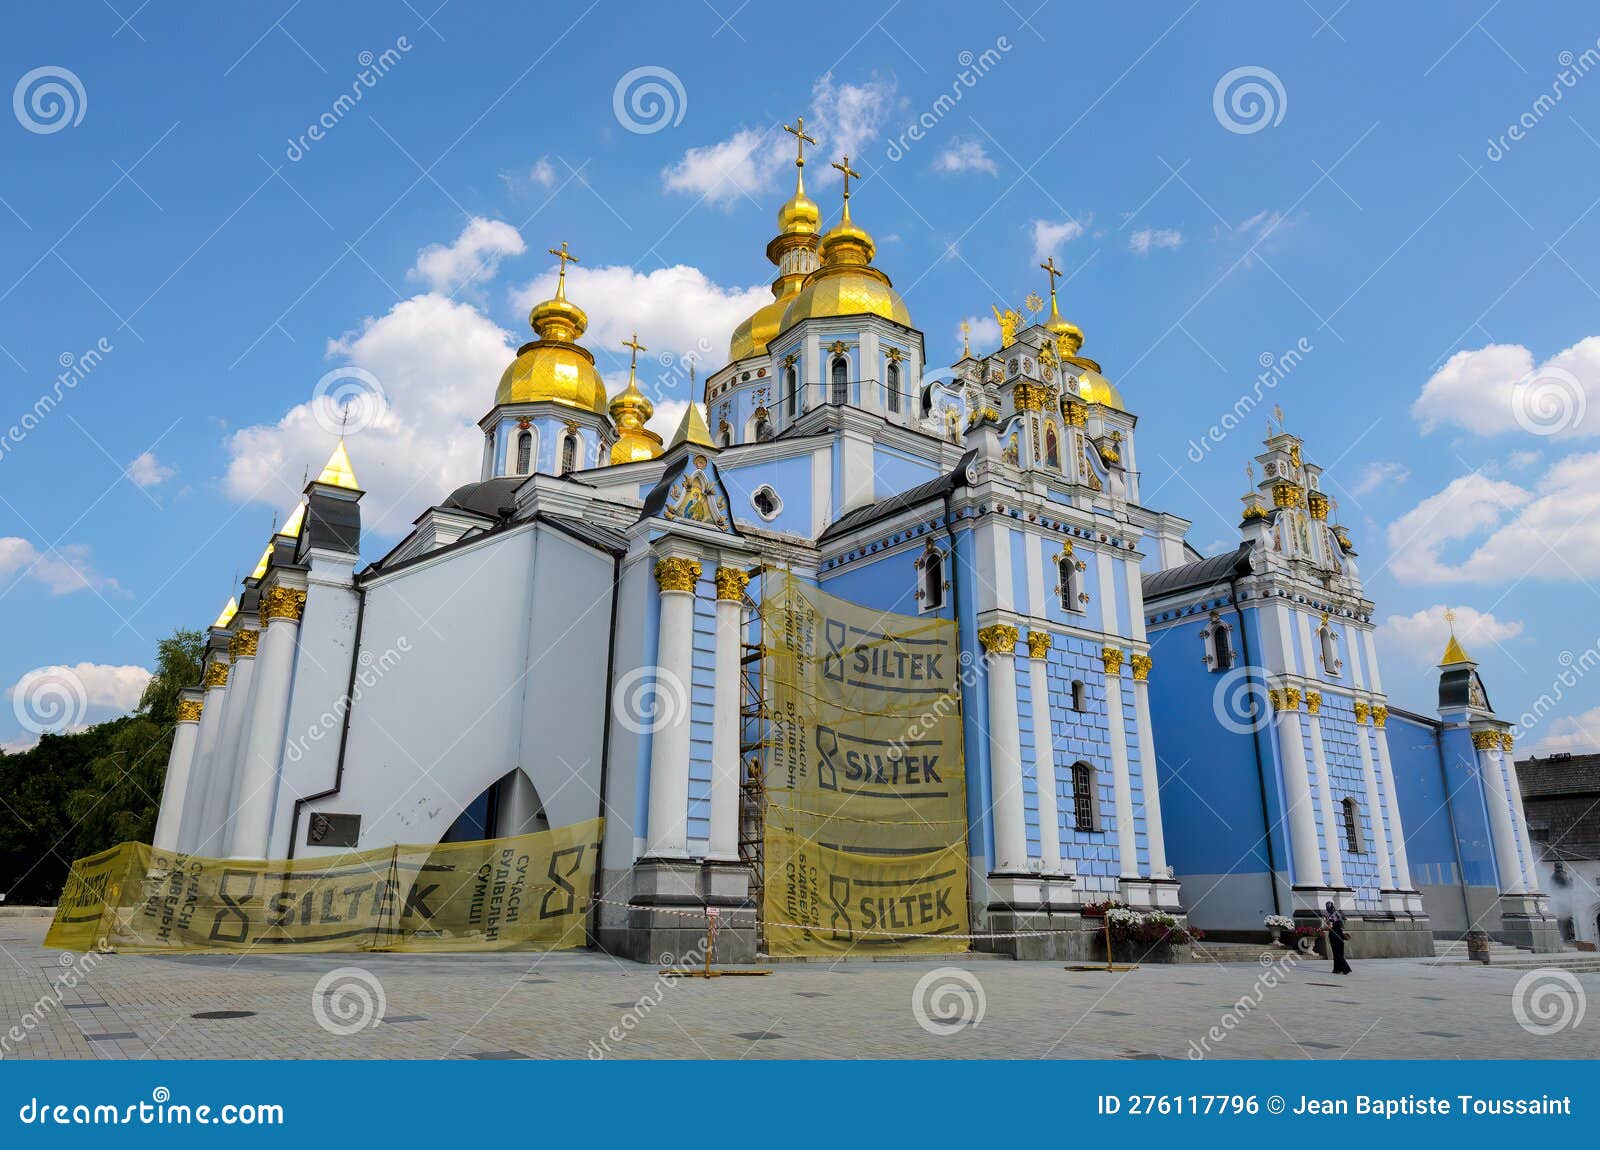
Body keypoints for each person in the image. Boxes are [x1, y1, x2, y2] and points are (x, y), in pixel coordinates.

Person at [1324, 901, 1352, 975]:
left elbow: (1330, 926)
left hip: (1333, 934)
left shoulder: (1328, 915)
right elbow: (1343, 926)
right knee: (1340, 952)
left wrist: (1323, 928)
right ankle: (1337, 969)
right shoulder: (1338, 913)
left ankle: (1346, 969)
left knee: (1336, 952)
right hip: (1340, 933)